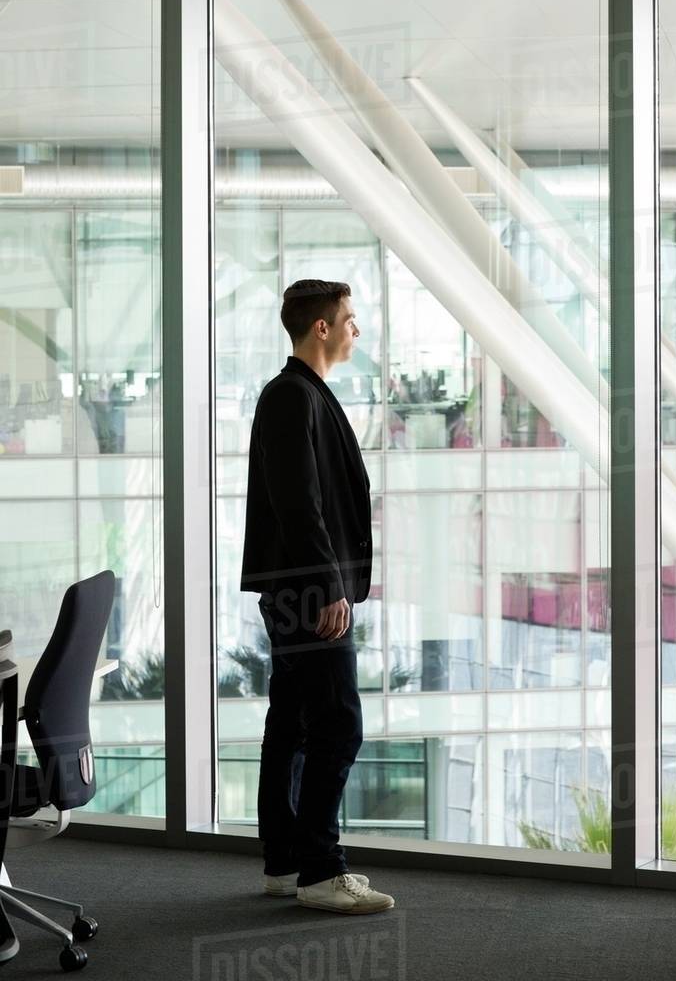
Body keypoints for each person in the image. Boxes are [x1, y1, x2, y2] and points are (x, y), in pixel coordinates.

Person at [240, 279, 395, 915]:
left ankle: (286, 862)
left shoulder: (303, 394)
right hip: (307, 590)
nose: (358, 329)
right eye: (350, 319)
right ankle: (321, 869)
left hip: (302, 585)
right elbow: (297, 500)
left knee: (294, 724)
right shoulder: (290, 396)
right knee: (337, 723)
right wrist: (329, 584)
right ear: (322, 328)